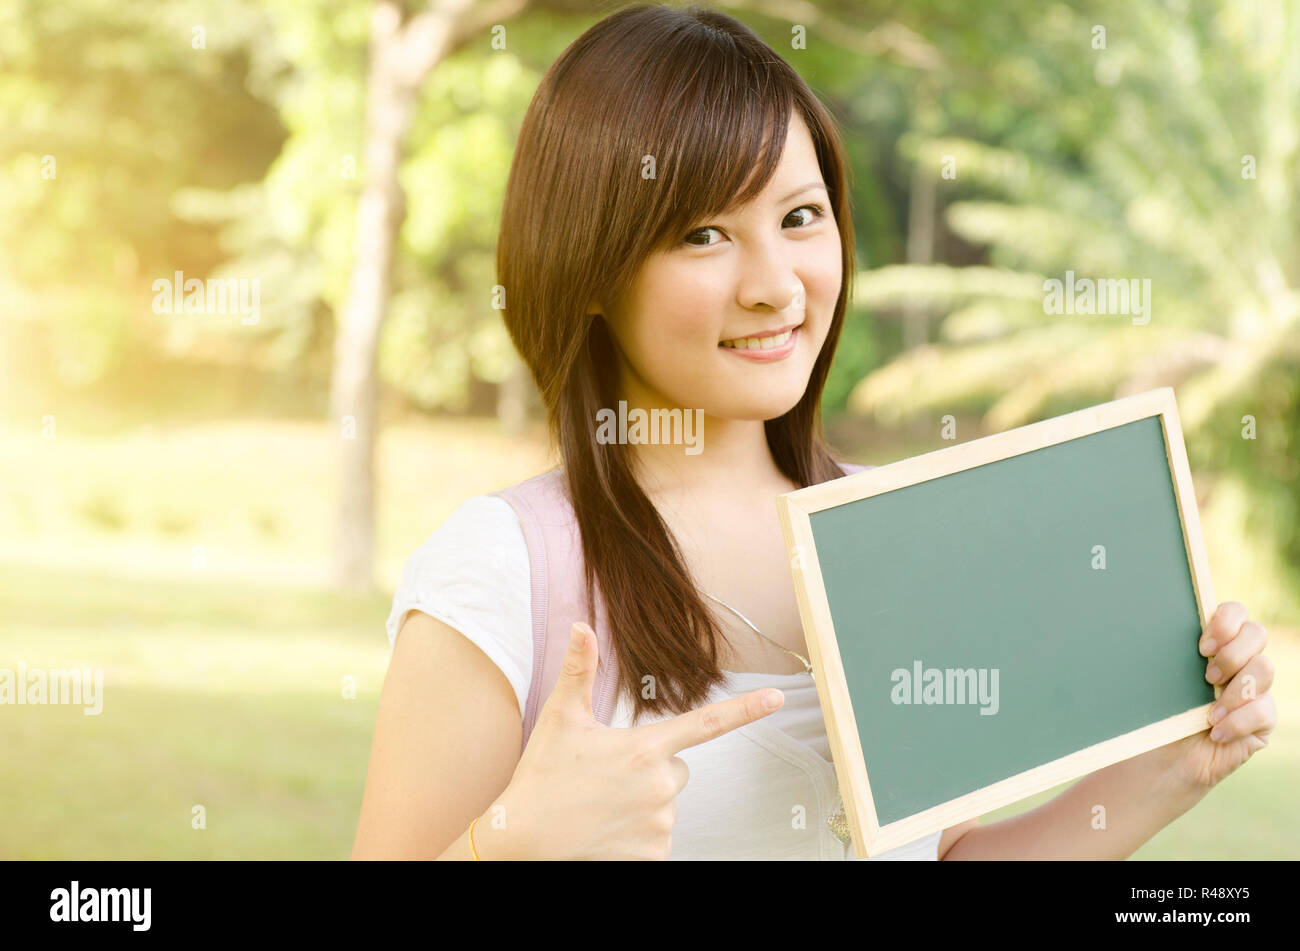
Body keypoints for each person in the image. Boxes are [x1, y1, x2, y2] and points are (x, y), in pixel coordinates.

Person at [351, 3, 1276, 861]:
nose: (777, 284)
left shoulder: (893, 531)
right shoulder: (505, 570)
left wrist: (1173, 765)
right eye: (704, 234)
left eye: (800, 217)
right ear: (589, 268)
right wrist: (506, 845)